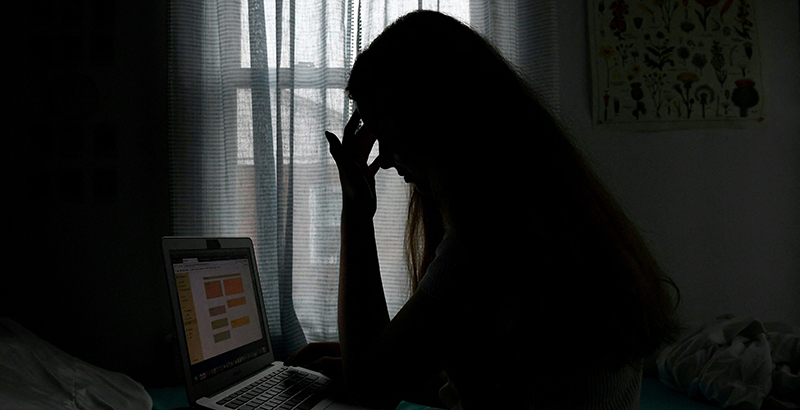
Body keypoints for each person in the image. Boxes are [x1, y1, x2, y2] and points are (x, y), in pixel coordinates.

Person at [286, 10, 681, 410]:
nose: (385, 158)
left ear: (434, 123)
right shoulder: (552, 210)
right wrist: (369, 359)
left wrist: (355, 212)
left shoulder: (490, 239)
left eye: (388, 133)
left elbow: (372, 386)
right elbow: (496, 377)